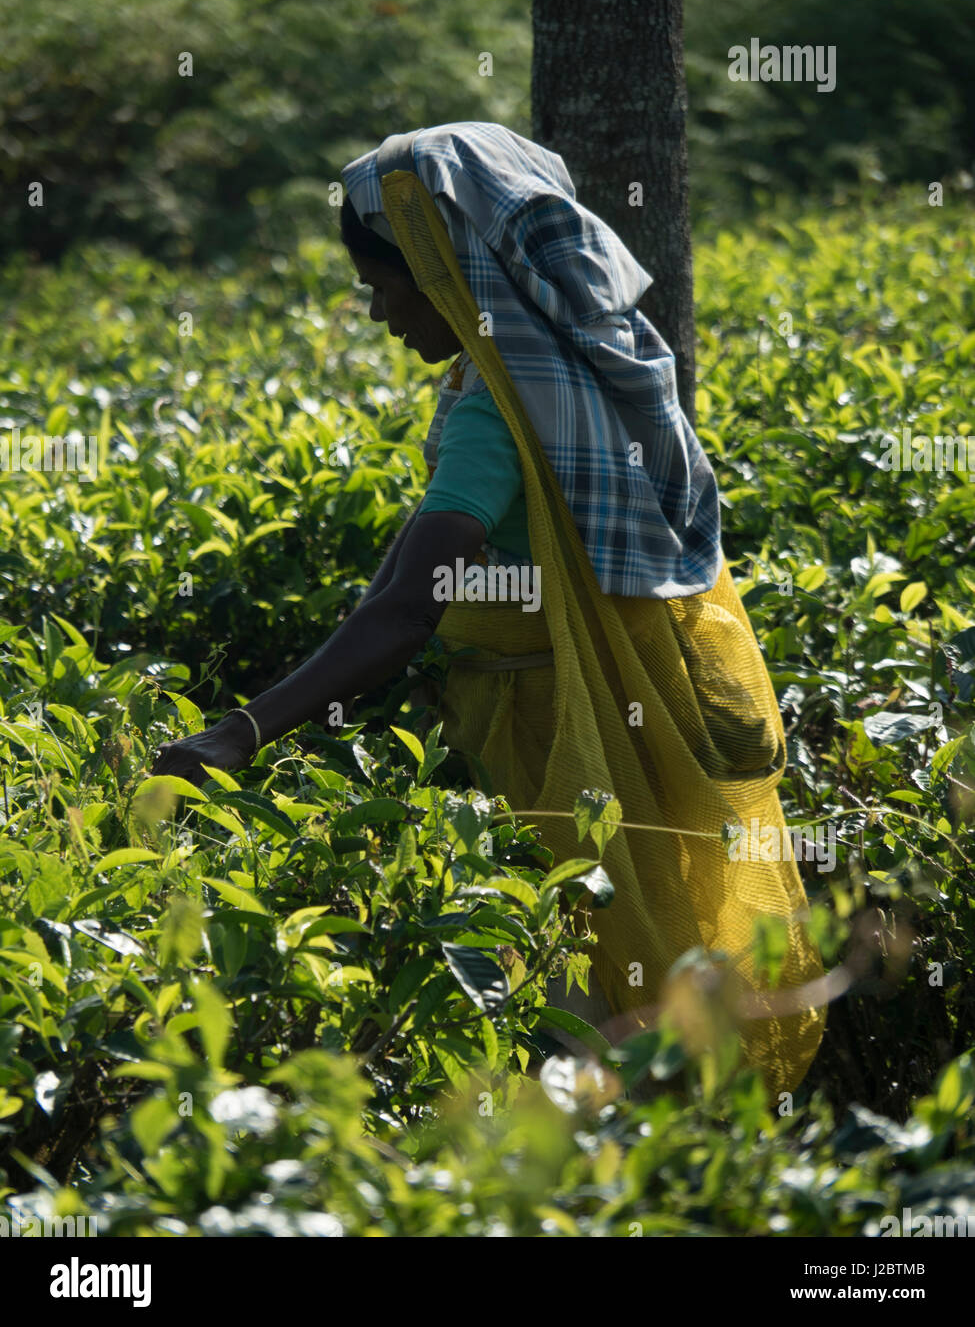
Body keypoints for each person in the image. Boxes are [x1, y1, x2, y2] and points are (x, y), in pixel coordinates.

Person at [152, 122, 826, 1094]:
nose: (382, 315)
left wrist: (245, 730)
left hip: (560, 746)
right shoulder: (572, 368)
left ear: (449, 273)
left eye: (386, 288)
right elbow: (400, 579)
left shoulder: (495, 409)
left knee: (581, 1002)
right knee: (647, 969)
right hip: (619, 729)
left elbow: (404, 612)